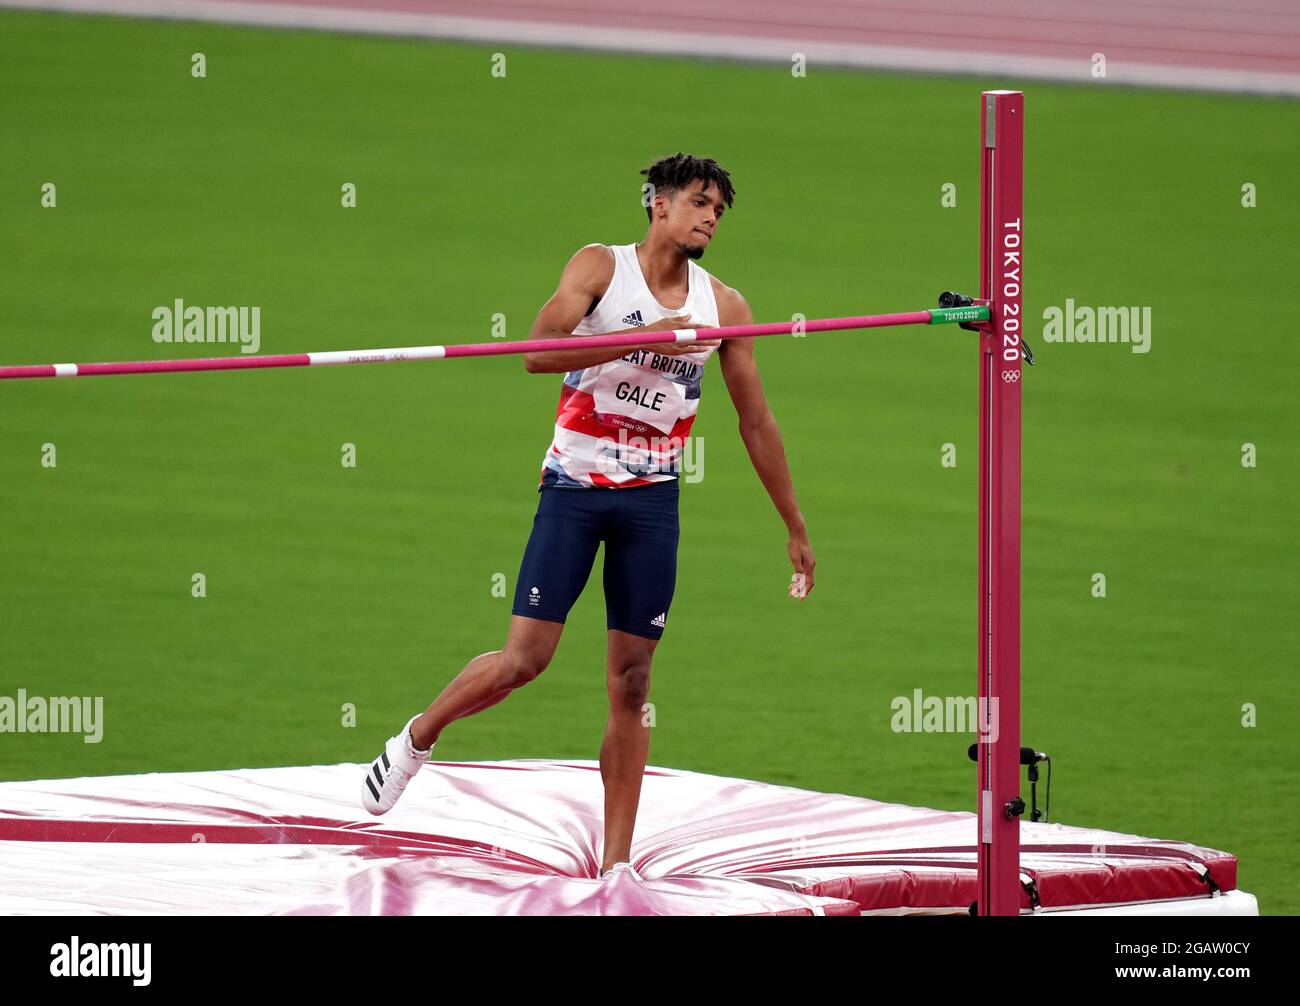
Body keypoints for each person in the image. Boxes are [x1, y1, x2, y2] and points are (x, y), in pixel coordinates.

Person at [360, 154, 815, 879]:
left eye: (719, 211)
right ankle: (416, 740)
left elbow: (755, 421)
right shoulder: (602, 268)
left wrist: (793, 525)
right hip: (573, 491)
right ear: (658, 205)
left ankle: (617, 864)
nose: (709, 219)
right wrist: (638, 340)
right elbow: (537, 353)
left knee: (632, 684)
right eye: (699, 203)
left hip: (651, 505)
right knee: (525, 661)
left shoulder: (723, 306)